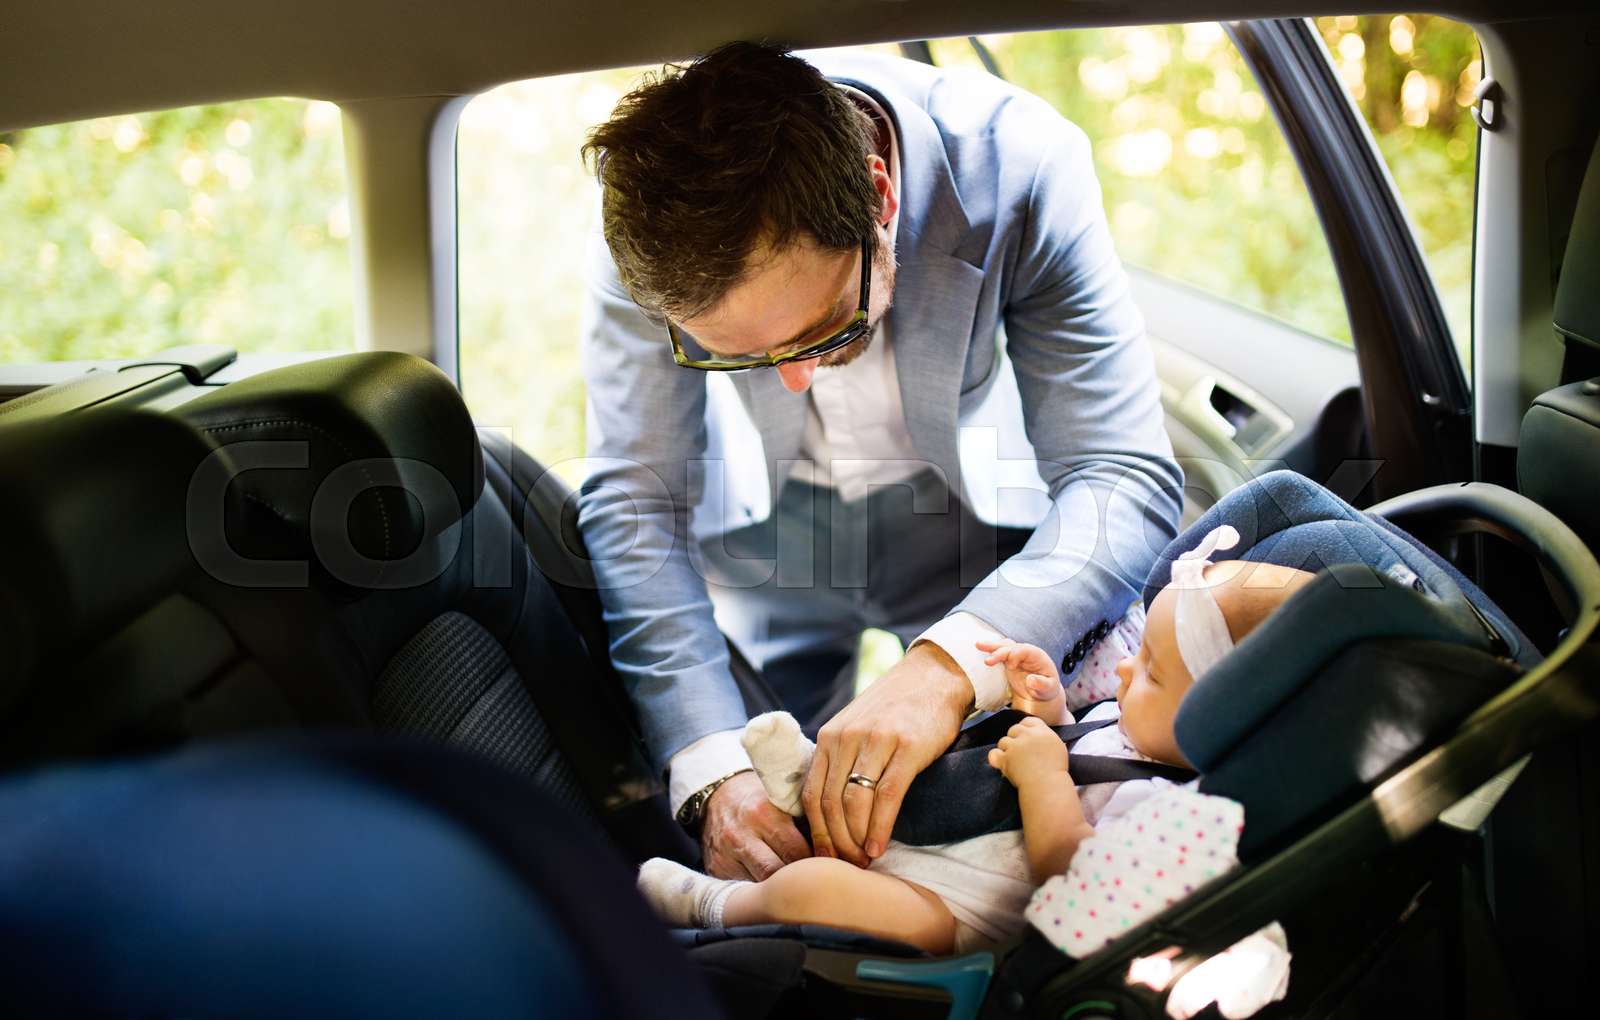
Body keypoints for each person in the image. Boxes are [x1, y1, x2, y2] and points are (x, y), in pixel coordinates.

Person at [577, 41, 1182, 880]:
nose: (792, 382)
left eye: (825, 328)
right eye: (738, 357)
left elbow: (1122, 477)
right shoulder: (652, 243)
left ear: (879, 193)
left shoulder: (1024, 168)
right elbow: (637, 499)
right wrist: (710, 762)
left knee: (967, 819)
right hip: (768, 539)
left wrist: (947, 668)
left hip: (964, 526)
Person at [636, 526, 1316, 953]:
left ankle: (716, 906)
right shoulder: (1135, 729)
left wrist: (1045, 774)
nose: (1129, 666)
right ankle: (805, 789)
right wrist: (1044, 708)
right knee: (887, 781)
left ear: (1224, 719)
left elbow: (1074, 870)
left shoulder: (1167, 812)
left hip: (960, 911)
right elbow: (1076, 752)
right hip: (951, 832)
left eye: (1155, 672)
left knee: (837, 895)